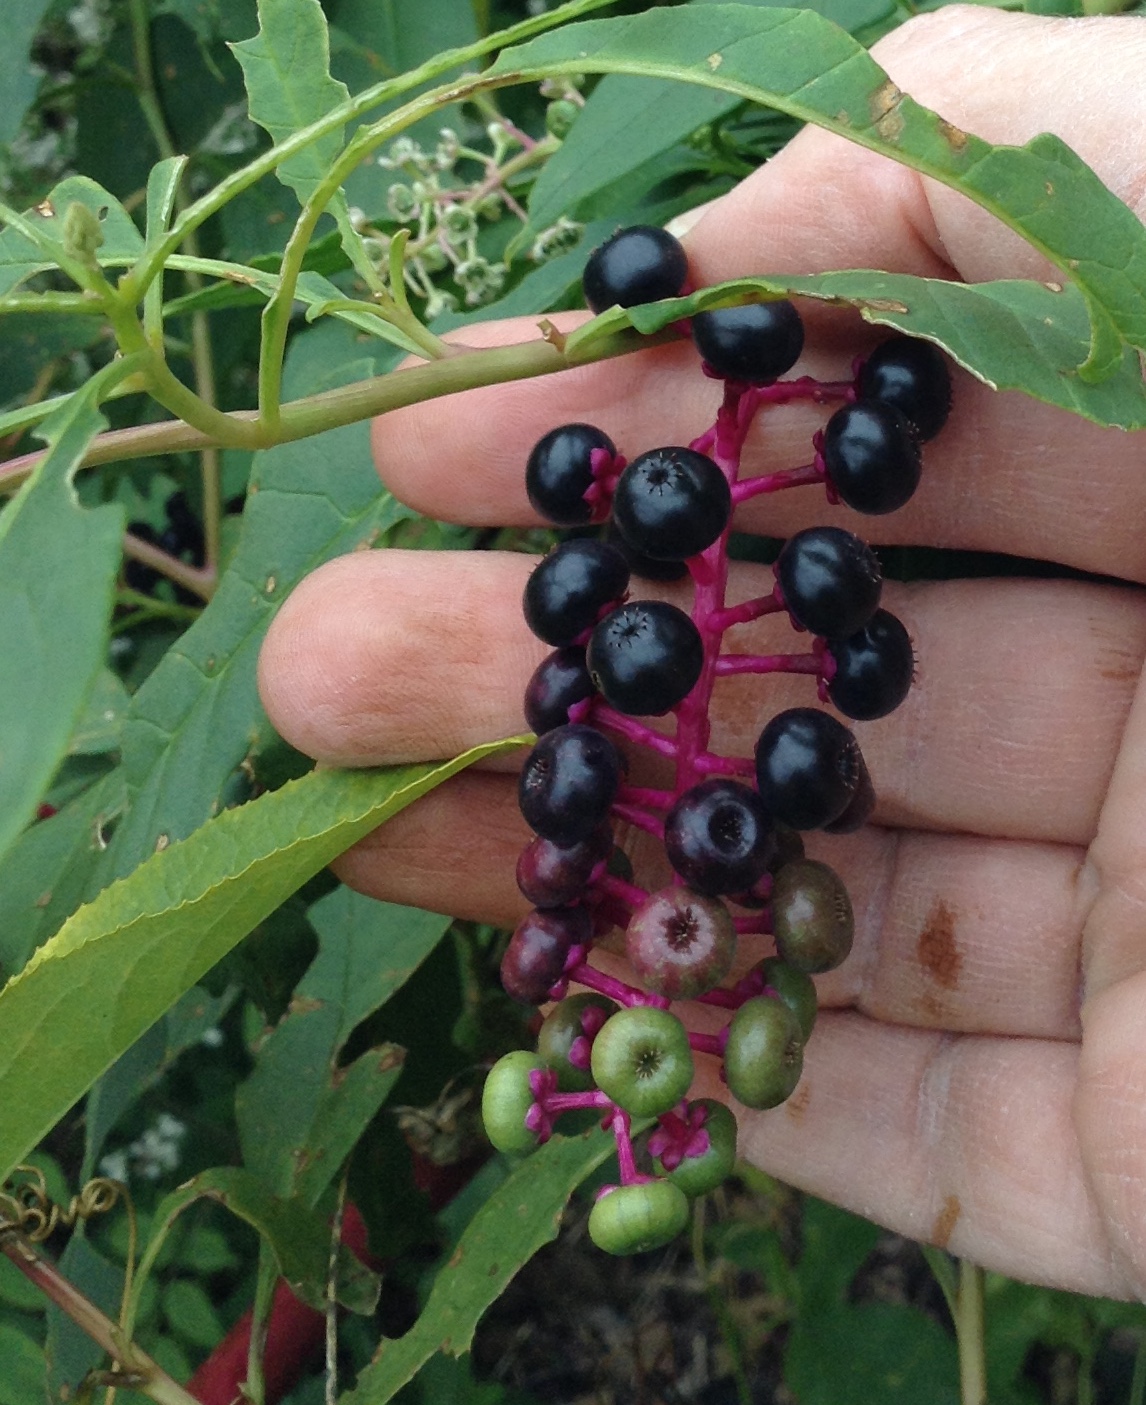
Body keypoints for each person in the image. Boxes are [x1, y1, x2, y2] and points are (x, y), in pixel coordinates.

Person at [257, 6, 1146, 1299]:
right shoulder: (666, 570)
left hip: (770, 599)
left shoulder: (801, 453)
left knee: (771, 671)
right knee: (652, 682)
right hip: (720, 681)